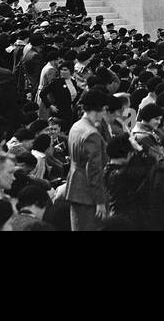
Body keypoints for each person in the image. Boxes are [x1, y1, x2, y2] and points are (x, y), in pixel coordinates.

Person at [64, 88, 109, 231]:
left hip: (75, 187)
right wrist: (100, 201)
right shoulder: (92, 134)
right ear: (100, 109)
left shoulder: (76, 126)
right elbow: (94, 170)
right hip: (89, 194)